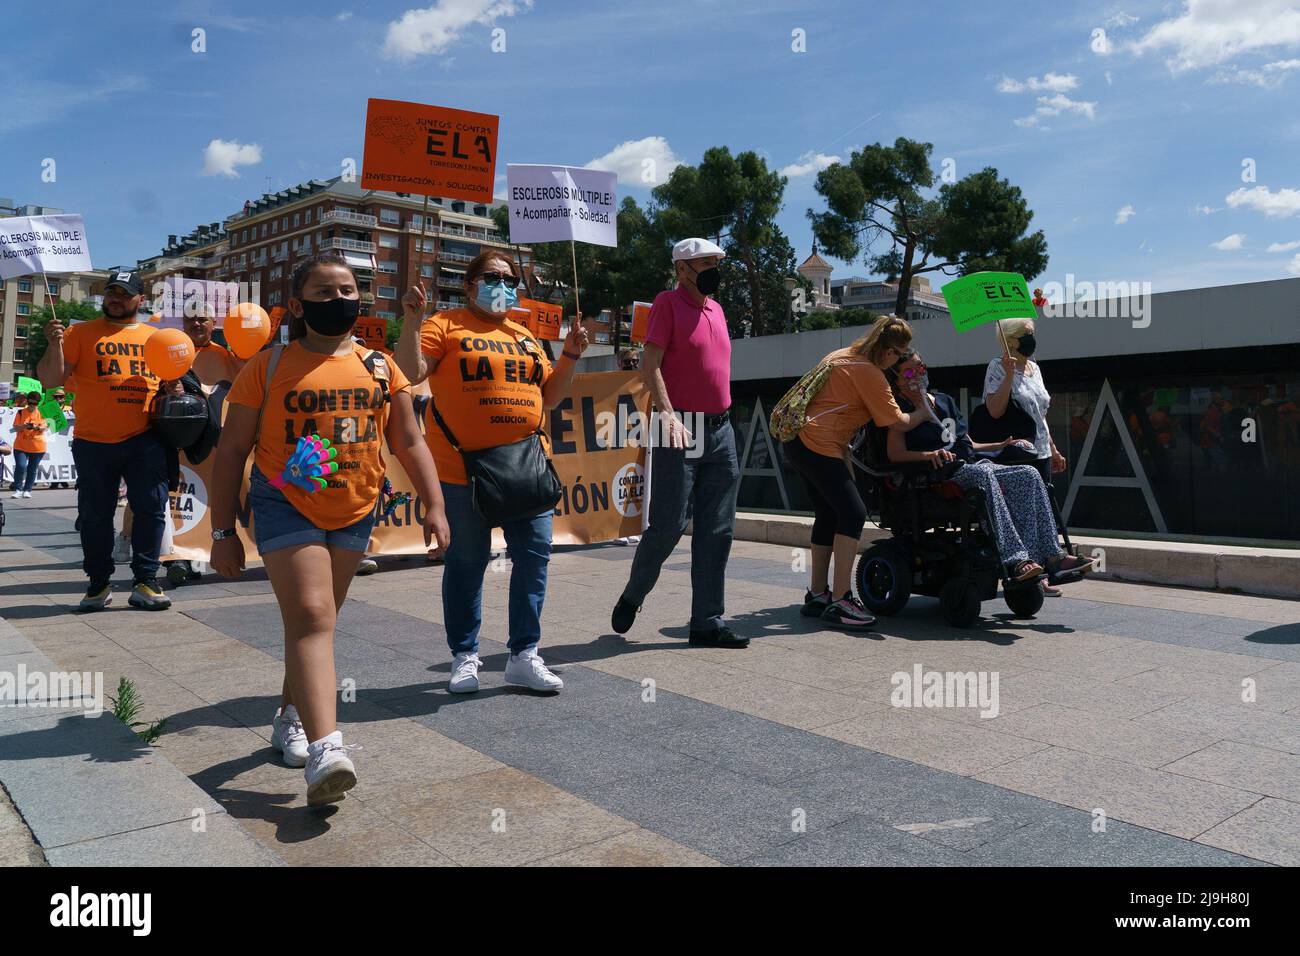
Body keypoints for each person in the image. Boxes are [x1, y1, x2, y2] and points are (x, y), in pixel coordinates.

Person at [209, 252, 449, 806]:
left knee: (313, 622)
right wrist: (223, 531)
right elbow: (231, 451)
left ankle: (290, 715)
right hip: (284, 502)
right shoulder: (266, 368)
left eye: (347, 291)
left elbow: (409, 442)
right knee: (313, 616)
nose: (339, 301)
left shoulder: (382, 366)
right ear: (296, 305)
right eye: (323, 293)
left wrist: (435, 506)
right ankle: (326, 750)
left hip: (357, 506)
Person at [395, 251, 588, 695]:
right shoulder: (443, 324)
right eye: (492, 277)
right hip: (463, 471)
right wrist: (410, 320)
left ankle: (524, 656)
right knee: (466, 563)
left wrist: (571, 357)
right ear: (468, 284)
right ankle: (464, 656)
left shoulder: (524, 336)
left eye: (509, 279)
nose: (502, 284)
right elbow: (408, 372)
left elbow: (550, 396)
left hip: (527, 468)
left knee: (534, 562)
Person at [610, 238, 747, 647]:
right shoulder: (666, 304)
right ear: (683, 268)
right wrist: (667, 413)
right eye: (707, 263)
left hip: (721, 429)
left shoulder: (717, 309)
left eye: (717, 262)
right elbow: (650, 366)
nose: (714, 269)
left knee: (718, 529)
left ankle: (707, 621)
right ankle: (634, 594)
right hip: (677, 425)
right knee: (670, 524)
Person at [889, 351, 1092, 583]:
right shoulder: (897, 409)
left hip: (969, 466)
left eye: (920, 368)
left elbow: (966, 443)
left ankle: (1051, 557)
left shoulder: (944, 400)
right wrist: (931, 454)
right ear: (896, 379)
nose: (917, 375)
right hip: (939, 475)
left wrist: (1001, 444)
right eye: (908, 371)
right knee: (985, 474)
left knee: (1029, 474)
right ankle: (1016, 559)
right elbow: (894, 453)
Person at [37, 269, 174, 611]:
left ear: (141, 300)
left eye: (124, 293)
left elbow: (172, 380)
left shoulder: (156, 337)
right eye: (111, 292)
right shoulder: (79, 333)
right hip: (93, 440)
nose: (115, 298)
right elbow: (52, 379)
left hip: (145, 438)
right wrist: (53, 343)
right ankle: (98, 583)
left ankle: (145, 580)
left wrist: (175, 387)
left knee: (151, 511)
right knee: (95, 515)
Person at [782, 315, 929, 628]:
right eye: (900, 354)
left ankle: (818, 595)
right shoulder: (870, 373)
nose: (899, 360)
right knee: (852, 512)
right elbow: (897, 423)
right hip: (818, 443)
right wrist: (922, 411)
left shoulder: (841, 355)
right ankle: (841, 599)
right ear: (888, 350)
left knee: (828, 513)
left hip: (797, 441)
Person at [982, 317, 1068, 595]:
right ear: (1011, 340)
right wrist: (1008, 376)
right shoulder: (997, 366)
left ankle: (1049, 563)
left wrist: (1053, 448)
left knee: (1044, 508)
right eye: (1026, 334)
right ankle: (1034, 572)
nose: (1032, 338)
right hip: (1017, 453)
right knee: (1024, 512)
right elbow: (993, 410)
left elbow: (1040, 416)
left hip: (1040, 450)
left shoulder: (1035, 369)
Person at [615, 348, 642, 547]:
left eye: (636, 361)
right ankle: (616, 530)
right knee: (617, 485)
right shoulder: (612, 383)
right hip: (617, 440)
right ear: (619, 363)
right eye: (628, 361)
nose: (632, 364)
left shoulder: (643, 382)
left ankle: (631, 527)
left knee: (634, 485)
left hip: (637, 441)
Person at [10, 392, 48, 498]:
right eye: (30, 402)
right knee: (21, 466)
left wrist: (37, 427)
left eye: (35, 404)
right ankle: (18, 489)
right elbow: (15, 428)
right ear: (27, 401)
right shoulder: (21, 413)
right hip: (20, 446)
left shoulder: (42, 412)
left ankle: (27, 489)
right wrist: (24, 426)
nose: (32, 405)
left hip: (37, 447)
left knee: (32, 469)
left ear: (38, 403)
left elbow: (45, 427)